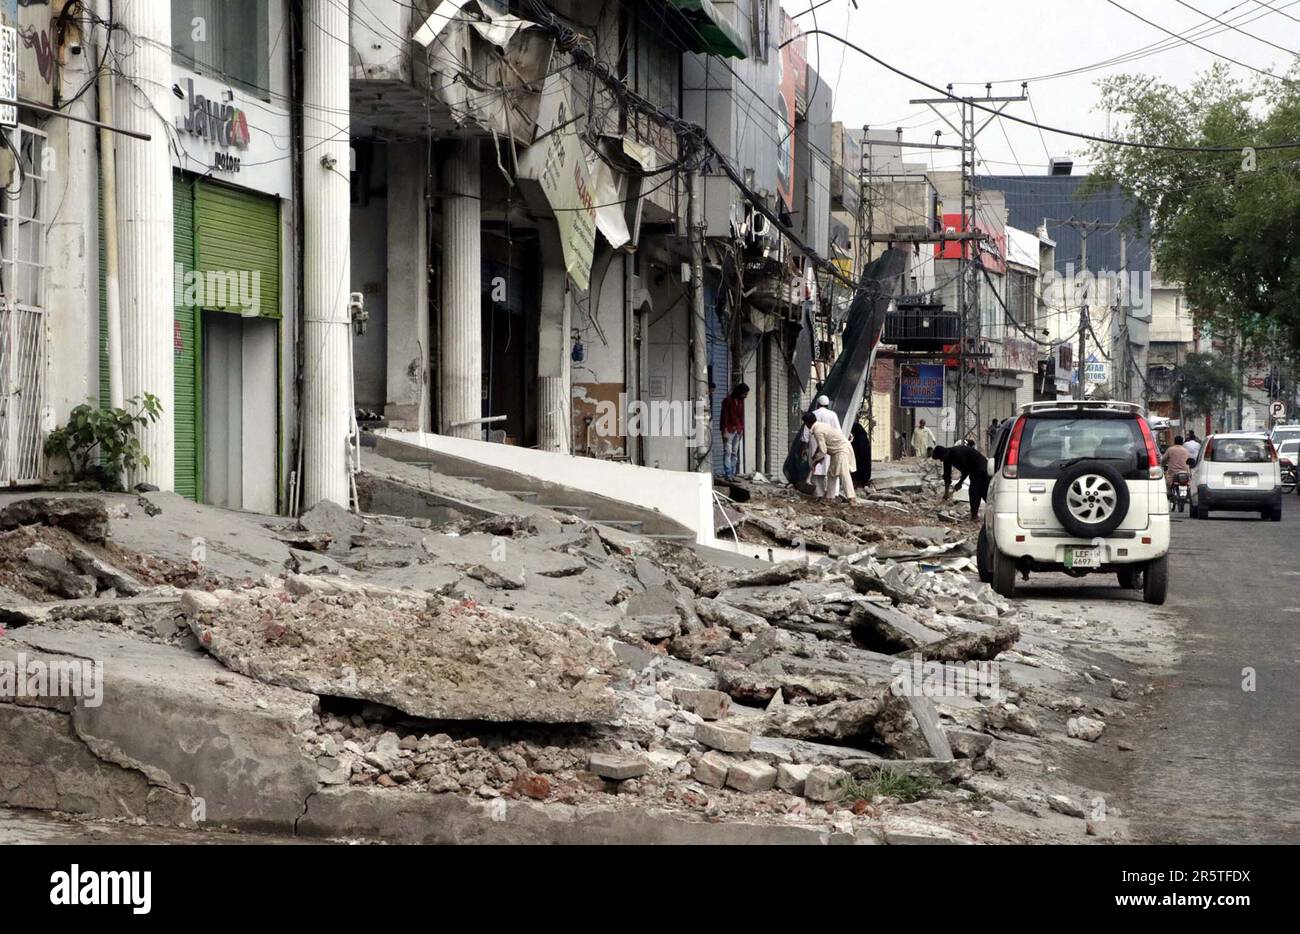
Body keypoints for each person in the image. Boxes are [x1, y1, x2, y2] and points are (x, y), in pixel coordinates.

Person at [803, 412, 857, 501]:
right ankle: (829, 498)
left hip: (841, 450)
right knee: (831, 473)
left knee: (844, 473)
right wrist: (815, 457)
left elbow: (823, 451)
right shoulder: (819, 426)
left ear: (807, 423)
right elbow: (821, 446)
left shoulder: (818, 431)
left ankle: (852, 498)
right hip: (837, 451)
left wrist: (815, 462)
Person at [931, 443, 991, 520]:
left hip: (982, 468)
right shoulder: (947, 459)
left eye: (941, 458)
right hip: (973, 471)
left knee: (978, 491)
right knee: (974, 491)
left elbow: (966, 470)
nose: (941, 460)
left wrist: (959, 483)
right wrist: (946, 492)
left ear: (945, 454)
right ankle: (975, 515)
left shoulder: (957, 453)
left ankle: (985, 513)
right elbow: (947, 476)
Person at [801, 395, 842, 497]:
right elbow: (838, 431)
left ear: (818, 404)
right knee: (831, 470)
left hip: (815, 444)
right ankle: (833, 494)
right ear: (828, 405)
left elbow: (806, 434)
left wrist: (805, 446)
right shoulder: (832, 415)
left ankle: (818, 493)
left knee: (816, 469)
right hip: (829, 445)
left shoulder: (813, 414)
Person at [720, 383, 748, 479]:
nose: (745, 396)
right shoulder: (728, 401)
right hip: (729, 429)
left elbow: (741, 416)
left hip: (738, 430)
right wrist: (724, 430)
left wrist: (742, 429)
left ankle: (732, 473)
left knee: (734, 453)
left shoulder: (741, 401)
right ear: (739, 392)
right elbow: (724, 416)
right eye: (744, 394)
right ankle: (728, 473)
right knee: (727, 452)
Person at [1161, 434, 1192, 499]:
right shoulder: (1186, 451)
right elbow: (1189, 461)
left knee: (1167, 481)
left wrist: (1162, 464)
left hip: (1173, 473)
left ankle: (1169, 493)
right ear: (1182, 442)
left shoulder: (1170, 450)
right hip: (1185, 473)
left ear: (1174, 442)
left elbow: (1163, 460)